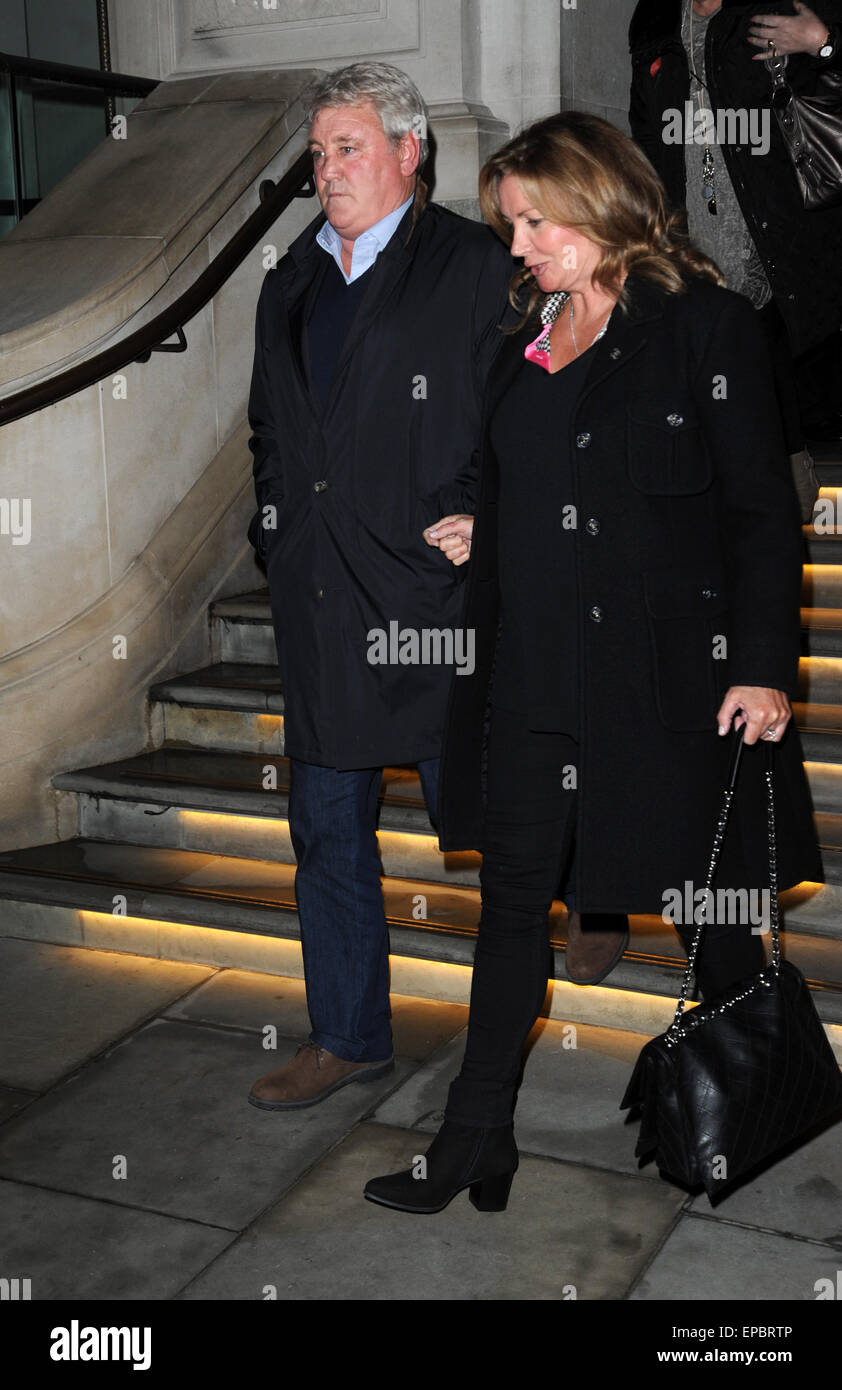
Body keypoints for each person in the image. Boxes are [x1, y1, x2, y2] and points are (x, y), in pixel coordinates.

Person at [363, 110, 823, 1214]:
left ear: (599, 202)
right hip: (531, 679)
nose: (517, 248)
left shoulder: (701, 326)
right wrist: (486, 524)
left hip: (668, 682)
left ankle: (748, 1103)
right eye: (507, 226)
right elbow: (512, 470)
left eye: (533, 222)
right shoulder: (524, 338)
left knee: (708, 911)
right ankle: (472, 1137)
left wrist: (760, 665)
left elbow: (759, 512)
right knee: (513, 905)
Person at [629, 0, 842, 500]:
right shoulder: (653, 15)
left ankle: (788, 481)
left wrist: (822, 42)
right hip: (688, 217)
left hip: (775, 218)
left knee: (763, 330)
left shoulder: (781, 2)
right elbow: (644, 125)